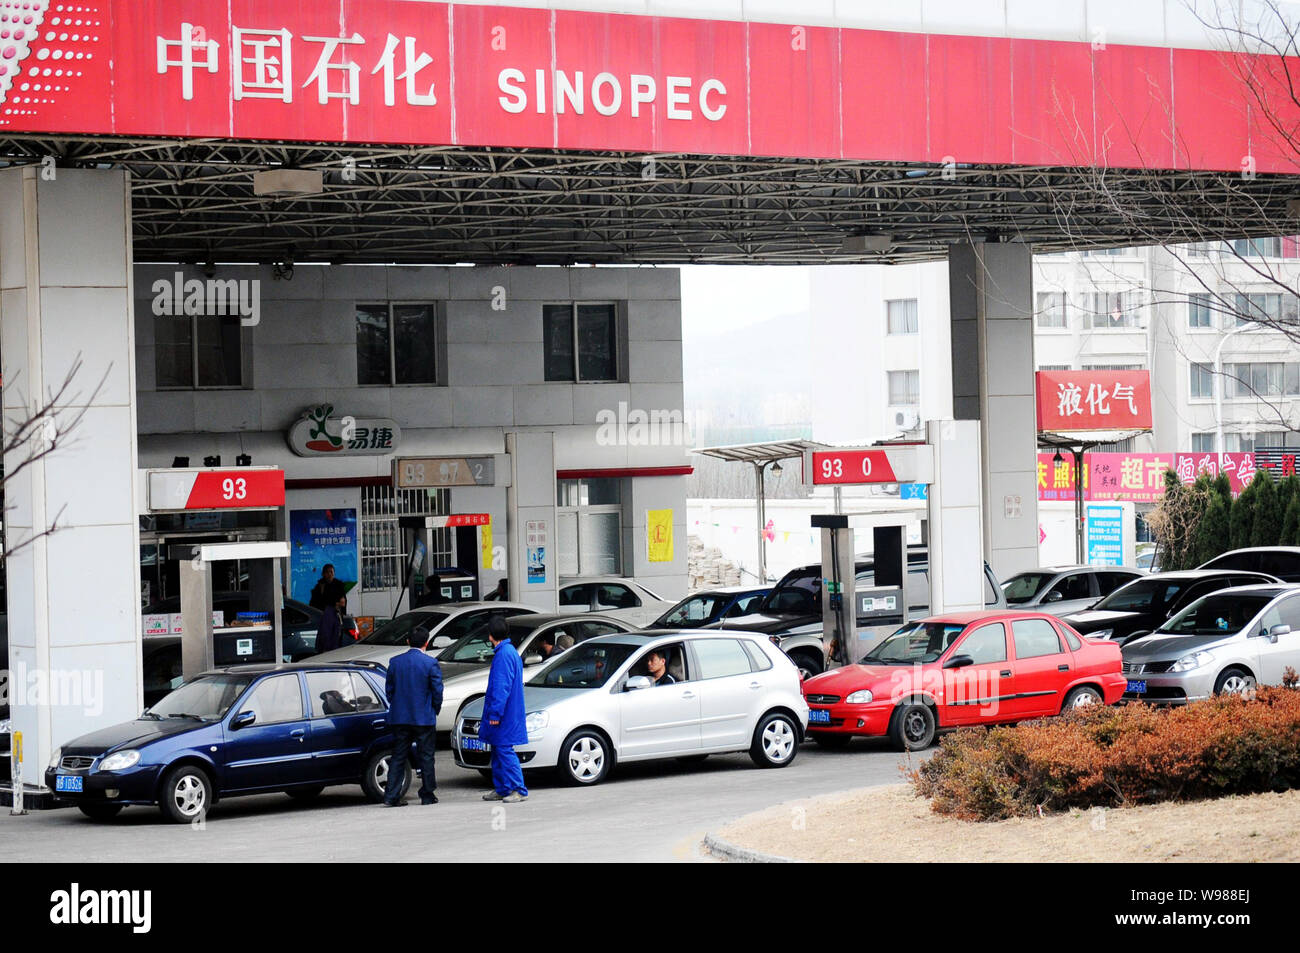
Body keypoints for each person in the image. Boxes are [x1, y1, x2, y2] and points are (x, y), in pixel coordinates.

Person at [383, 626, 444, 807]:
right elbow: (437, 691)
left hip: (400, 717)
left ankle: (392, 795)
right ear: (427, 643)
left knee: (399, 756)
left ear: (408, 641)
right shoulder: (430, 663)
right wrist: (434, 709)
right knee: (426, 756)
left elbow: (389, 690)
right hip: (424, 717)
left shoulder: (395, 662)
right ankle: (427, 794)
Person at [481, 614, 528, 803]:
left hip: (504, 714)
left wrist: (495, 713)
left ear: (491, 635)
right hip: (508, 712)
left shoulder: (503, 655)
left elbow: (501, 687)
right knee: (499, 750)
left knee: (504, 750)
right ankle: (502, 787)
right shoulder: (509, 652)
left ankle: (518, 789)